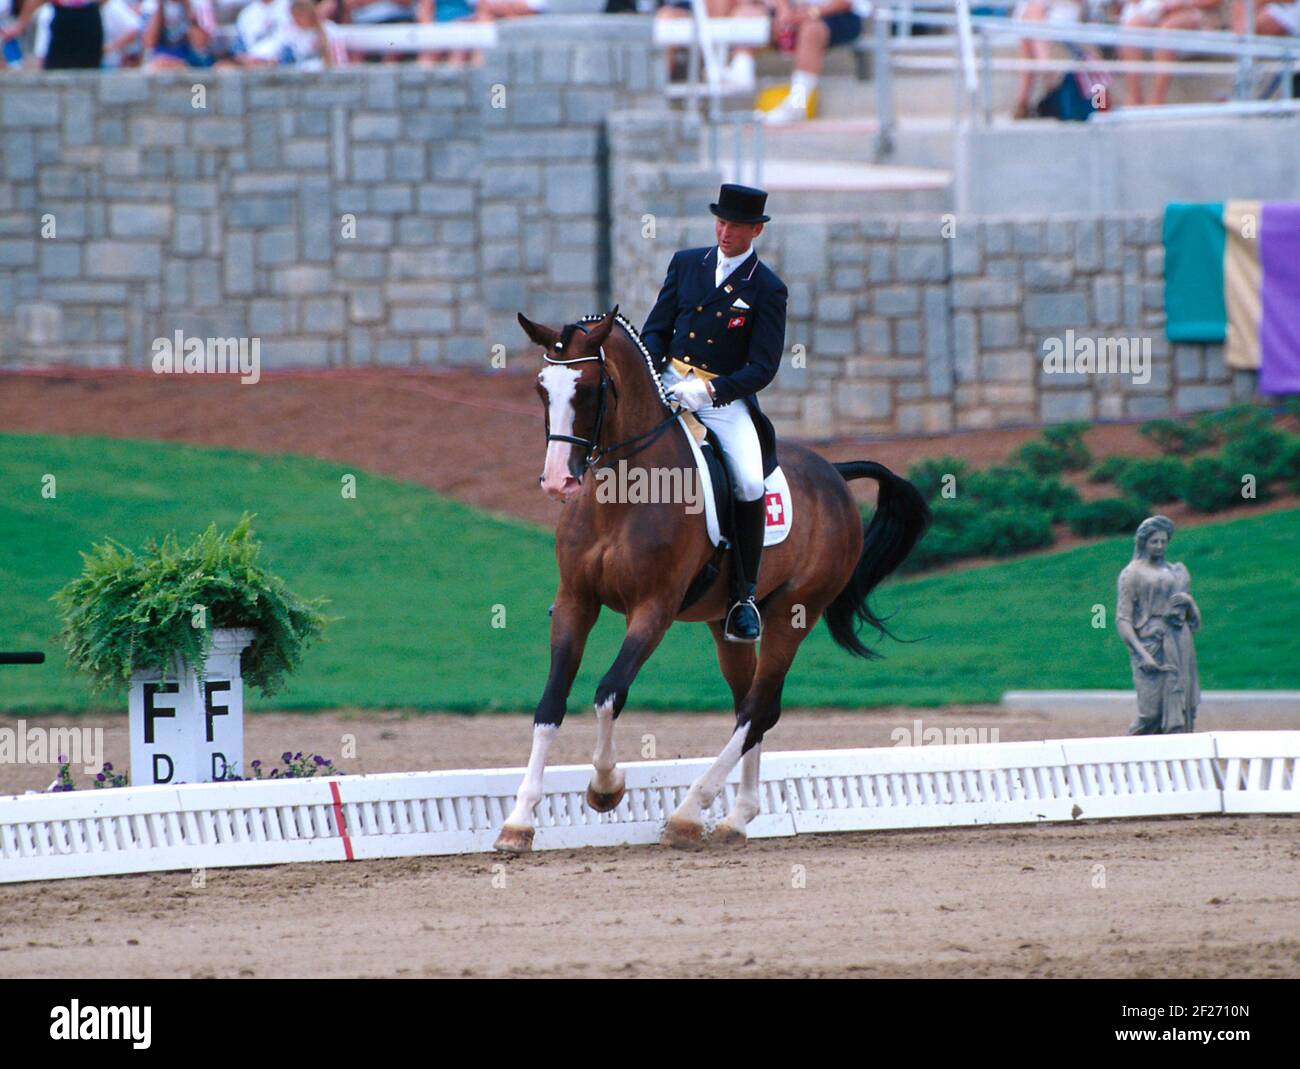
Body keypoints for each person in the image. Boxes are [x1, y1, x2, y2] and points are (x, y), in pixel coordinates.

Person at [640, 183, 789, 643]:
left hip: (721, 399)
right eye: (721, 222)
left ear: (755, 231)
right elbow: (656, 330)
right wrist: (651, 379)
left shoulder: (767, 289)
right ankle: (585, 572)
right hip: (667, 382)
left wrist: (709, 392)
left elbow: (762, 368)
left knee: (747, 480)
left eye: (736, 225)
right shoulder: (686, 264)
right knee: (612, 438)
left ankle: (742, 597)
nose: (725, 232)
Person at [1116, 514, 1202, 734]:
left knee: (1182, 710)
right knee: (1150, 714)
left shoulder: (1177, 572)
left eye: (1163, 541)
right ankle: (1126, 759)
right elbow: (1123, 619)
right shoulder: (1131, 573)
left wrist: (1189, 602)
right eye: (1154, 541)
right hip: (1150, 642)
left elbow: (1193, 620)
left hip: (1178, 639)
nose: (1160, 546)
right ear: (1143, 542)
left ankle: (1174, 765)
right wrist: (1142, 654)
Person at [1118, 0, 1222, 105]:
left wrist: (1183, 3)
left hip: (1196, 11)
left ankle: (1156, 100)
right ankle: (1134, 97)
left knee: (1167, 31)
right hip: (1161, 9)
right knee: (1133, 26)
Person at [1011, 0, 1083, 119]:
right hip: (1038, 16)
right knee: (1031, 16)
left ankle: (1023, 102)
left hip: (1064, 9)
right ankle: (1044, 66)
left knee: (1032, 16)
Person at [2, 0, 103, 68]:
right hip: (64, 16)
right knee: (59, 67)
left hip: (89, 15)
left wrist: (21, 24)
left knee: (88, 67)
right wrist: (21, 23)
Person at [140, 0, 216, 67]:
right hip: (160, 57)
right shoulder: (149, 5)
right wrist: (160, 6)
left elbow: (200, 44)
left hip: (189, 59)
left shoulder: (199, 3)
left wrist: (188, 7)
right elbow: (149, 43)